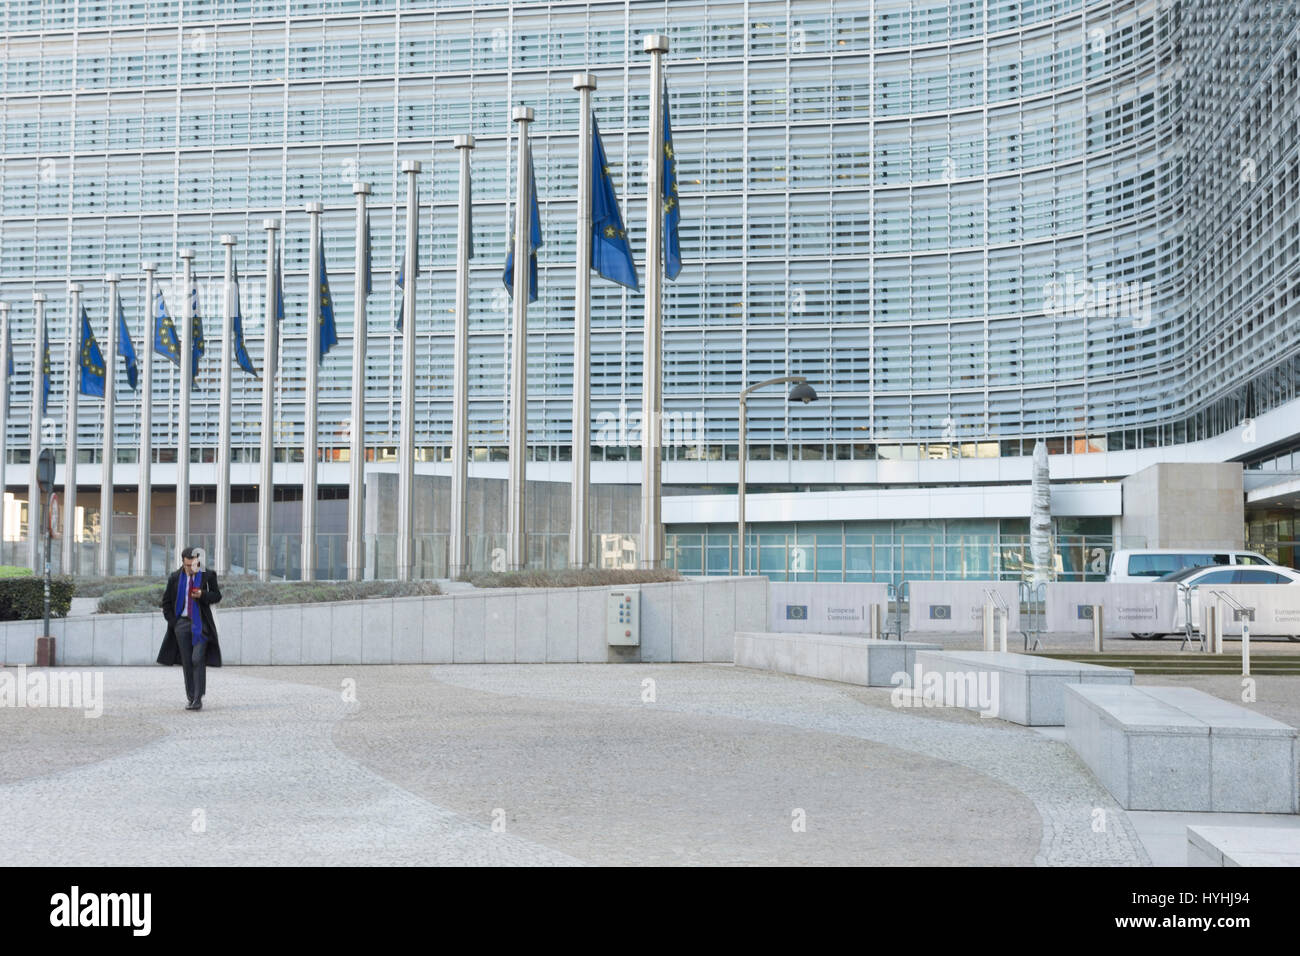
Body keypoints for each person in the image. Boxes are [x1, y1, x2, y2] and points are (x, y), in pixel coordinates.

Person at [157, 546, 222, 710]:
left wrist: (203, 595)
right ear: (183, 562)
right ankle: (191, 697)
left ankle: (198, 698)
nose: (191, 568)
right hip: (182, 624)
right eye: (187, 565)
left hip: (201, 624)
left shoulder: (208, 575)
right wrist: (174, 622)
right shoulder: (175, 577)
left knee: (197, 658)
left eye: (194, 564)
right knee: (186, 661)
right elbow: (166, 603)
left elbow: (217, 596)